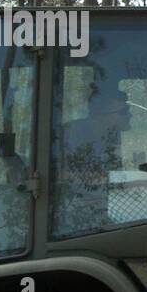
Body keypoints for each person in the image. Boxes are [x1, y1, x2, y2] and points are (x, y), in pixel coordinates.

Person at [56, 77, 131, 233]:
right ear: (103, 114)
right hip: (70, 218)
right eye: (124, 112)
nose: (130, 115)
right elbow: (55, 175)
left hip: (99, 214)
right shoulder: (72, 133)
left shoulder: (111, 137)